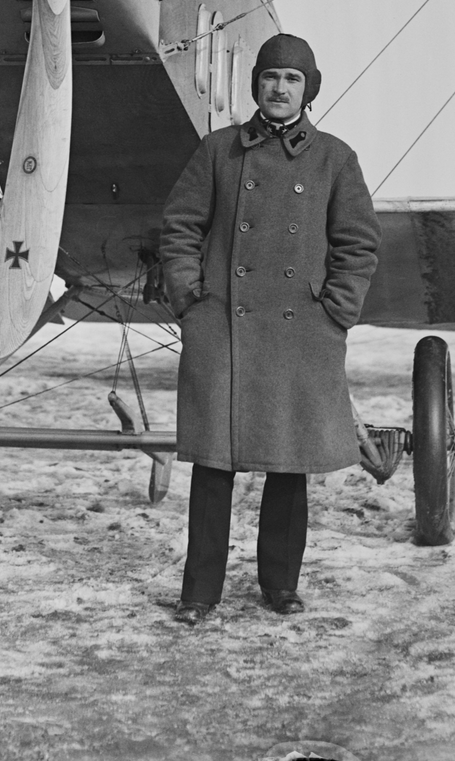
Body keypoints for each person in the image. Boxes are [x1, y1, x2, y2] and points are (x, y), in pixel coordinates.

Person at [160, 33, 381, 625]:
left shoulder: (336, 159)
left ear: (309, 90)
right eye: (269, 78)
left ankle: (280, 585)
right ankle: (199, 592)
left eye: (292, 80)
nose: (279, 89)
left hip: (300, 331)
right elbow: (179, 227)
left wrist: (334, 311)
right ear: (254, 84)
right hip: (223, 327)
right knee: (213, 465)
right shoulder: (218, 151)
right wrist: (191, 300)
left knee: (289, 465)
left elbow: (357, 246)